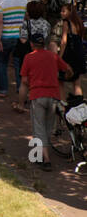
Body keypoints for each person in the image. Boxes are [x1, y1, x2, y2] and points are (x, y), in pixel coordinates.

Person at [20, 32, 72, 171]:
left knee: (38, 127)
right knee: (48, 128)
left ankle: (44, 159)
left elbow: (24, 80)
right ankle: (39, 154)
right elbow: (67, 69)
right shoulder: (53, 56)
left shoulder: (29, 58)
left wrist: (31, 86)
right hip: (53, 96)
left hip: (37, 95)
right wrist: (65, 77)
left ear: (32, 44)